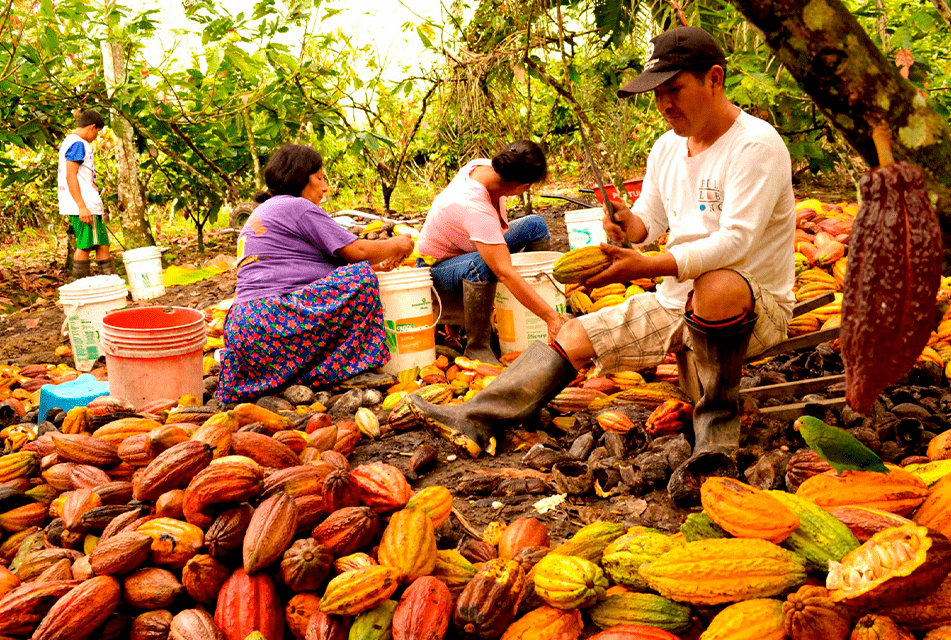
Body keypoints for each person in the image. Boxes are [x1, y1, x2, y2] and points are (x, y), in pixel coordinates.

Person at [407, 26, 796, 492]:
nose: (664, 104)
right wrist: (625, 225)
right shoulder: (667, 147)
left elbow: (736, 242)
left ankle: (716, 438)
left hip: (756, 307)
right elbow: (647, 224)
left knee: (719, 285)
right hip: (678, 301)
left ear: (714, 79)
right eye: (658, 94)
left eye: (675, 90)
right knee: (572, 333)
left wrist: (646, 266)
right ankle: (474, 417)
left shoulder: (756, 145)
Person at [215, 144, 415, 404]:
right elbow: (358, 250)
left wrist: (378, 265)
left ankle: (287, 379)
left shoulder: (263, 212)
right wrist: (398, 244)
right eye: (320, 178)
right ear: (300, 178)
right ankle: (347, 367)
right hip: (271, 319)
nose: (325, 187)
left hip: (242, 331)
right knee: (363, 279)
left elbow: (299, 270)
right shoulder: (297, 207)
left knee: (364, 272)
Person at [415, 140, 568, 365]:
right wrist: (552, 318)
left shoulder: (488, 167)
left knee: (535, 225)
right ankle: (477, 346)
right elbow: (504, 271)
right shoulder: (474, 206)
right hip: (437, 269)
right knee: (483, 264)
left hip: (468, 245)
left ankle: (535, 296)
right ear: (522, 187)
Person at [58, 110, 113, 279]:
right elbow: (70, 175)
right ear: (92, 127)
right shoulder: (78, 144)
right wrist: (82, 206)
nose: (96, 136)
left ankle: (110, 284)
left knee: (101, 244)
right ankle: (81, 286)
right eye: (97, 132)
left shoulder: (71, 142)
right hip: (84, 204)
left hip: (86, 204)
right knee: (86, 245)